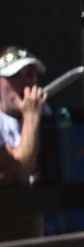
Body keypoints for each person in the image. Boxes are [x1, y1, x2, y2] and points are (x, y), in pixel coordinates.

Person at [0, 48, 45, 189]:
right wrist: (31, 117)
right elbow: (18, 174)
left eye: (30, 74)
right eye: (14, 75)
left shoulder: (49, 115)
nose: (25, 82)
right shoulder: (34, 114)